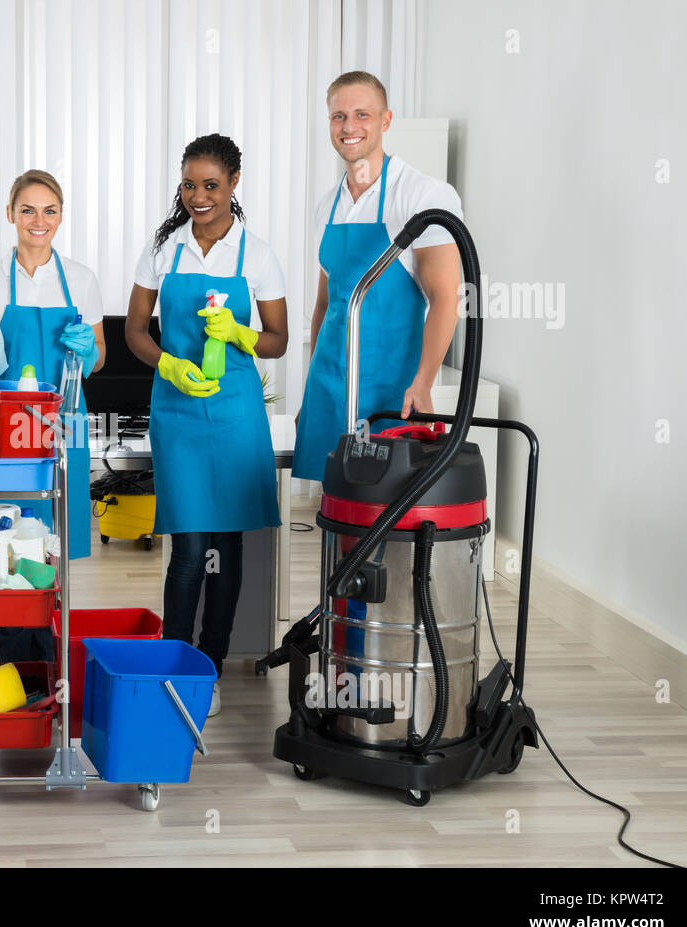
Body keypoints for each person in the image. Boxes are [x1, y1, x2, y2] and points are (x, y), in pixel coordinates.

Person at [125, 134, 287, 717]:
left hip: (237, 414)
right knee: (190, 546)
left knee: (228, 546)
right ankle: (176, 665)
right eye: (189, 184)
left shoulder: (257, 254)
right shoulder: (163, 249)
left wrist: (241, 336)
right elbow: (135, 330)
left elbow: (279, 339)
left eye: (211, 185)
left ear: (234, 183)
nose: (198, 196)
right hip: (178, 414)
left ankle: (210, 669)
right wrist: (167, 360)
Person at [0, 170, 105, 663]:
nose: (38, 220)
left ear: (61, 216)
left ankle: (49, 670)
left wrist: (87, 351)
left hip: (62, 424)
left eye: (49, 210)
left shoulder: (81, 278)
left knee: (52, 549)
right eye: (27, 210)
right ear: (10, 214)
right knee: (6, 545)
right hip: (5, 427)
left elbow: (100, 357)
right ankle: (18, 670)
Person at [292, 70, 463, 481]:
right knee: (333, 511)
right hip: (330, 387)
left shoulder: (423, 195)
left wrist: (423, 382)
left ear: (386, 120)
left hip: (391, 393)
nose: (349, 127)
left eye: (362, 114)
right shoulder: (327, 205)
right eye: (338, 116)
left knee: (379, 514)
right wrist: (310, 391)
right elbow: (325, 305)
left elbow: (447, 299)